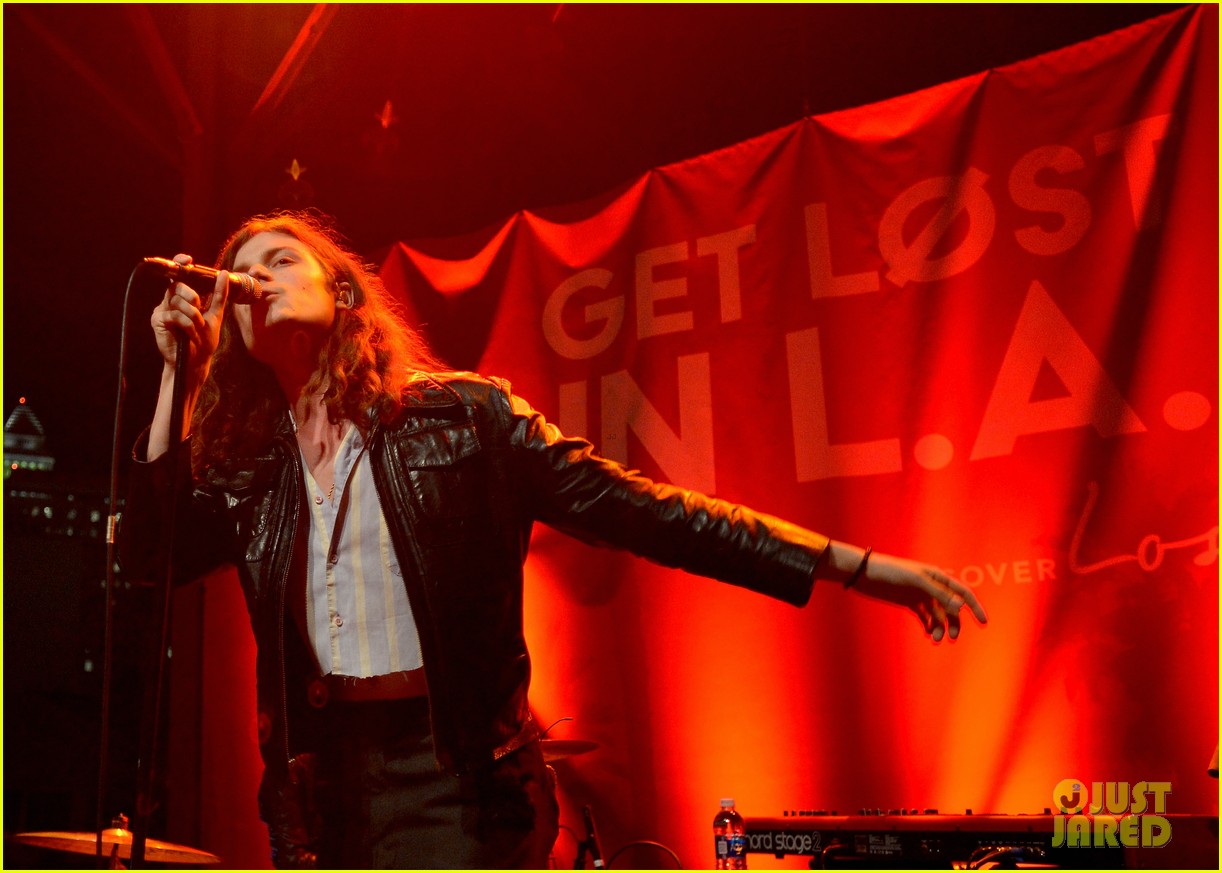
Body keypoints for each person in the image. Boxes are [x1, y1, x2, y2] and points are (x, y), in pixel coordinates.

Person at [121, 210, 987, 869]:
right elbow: (157, 553)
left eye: (279, 259)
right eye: (238, 272)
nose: (252, 277)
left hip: (452, 770)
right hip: (319, 786)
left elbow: (650, 512)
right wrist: (180, 377)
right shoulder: (255, 470)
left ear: (341, 293)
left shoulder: (466, 418)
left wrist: (854, 565)